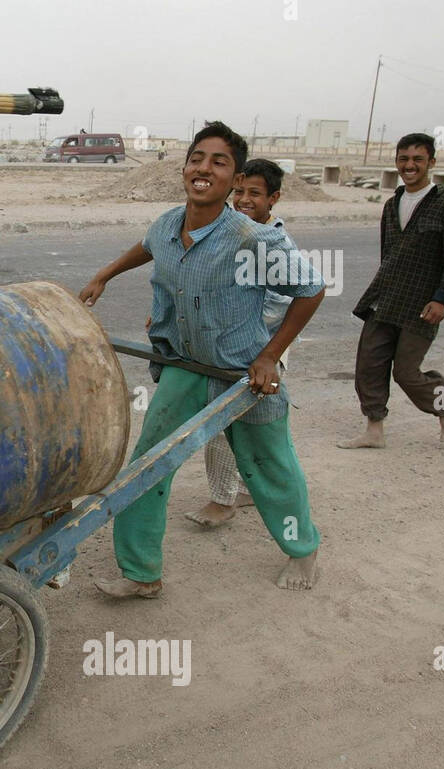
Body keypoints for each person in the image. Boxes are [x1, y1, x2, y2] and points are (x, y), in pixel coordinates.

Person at [78, 122, 326, 595]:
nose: (204, 169)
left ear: (235, 179)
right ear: (185, 168)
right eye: (197, 159)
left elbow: (311, 289)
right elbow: (147, 247)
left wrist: (270, 356)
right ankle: (141, 573)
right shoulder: (167, 224)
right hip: (185, 369)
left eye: (219, 162)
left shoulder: (251, 239)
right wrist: (105, 274)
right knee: (147, 465)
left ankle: (303, 550)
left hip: (243, 378)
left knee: (269, 468)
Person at [338, 132, 444, 448]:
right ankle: (374, 431)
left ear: (431, 162)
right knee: (369, 366)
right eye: (403, 159)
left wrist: (442, 299)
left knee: (407, 373)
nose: (409, 165)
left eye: (417, 159)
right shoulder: (391, 204)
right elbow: (389, 254)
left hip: (422, 306)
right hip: (385, 300)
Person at [185, 158, 294, 528]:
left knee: (247, 429)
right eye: (240, 191)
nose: (245, 200)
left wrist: (232, 332)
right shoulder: (229, 233)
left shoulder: (275, 243)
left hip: (262, 350)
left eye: (255, 194)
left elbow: (277, 305)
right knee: (224, 424)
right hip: (226, 347)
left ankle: (234, 497)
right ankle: (227, 495)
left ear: (273, 199)